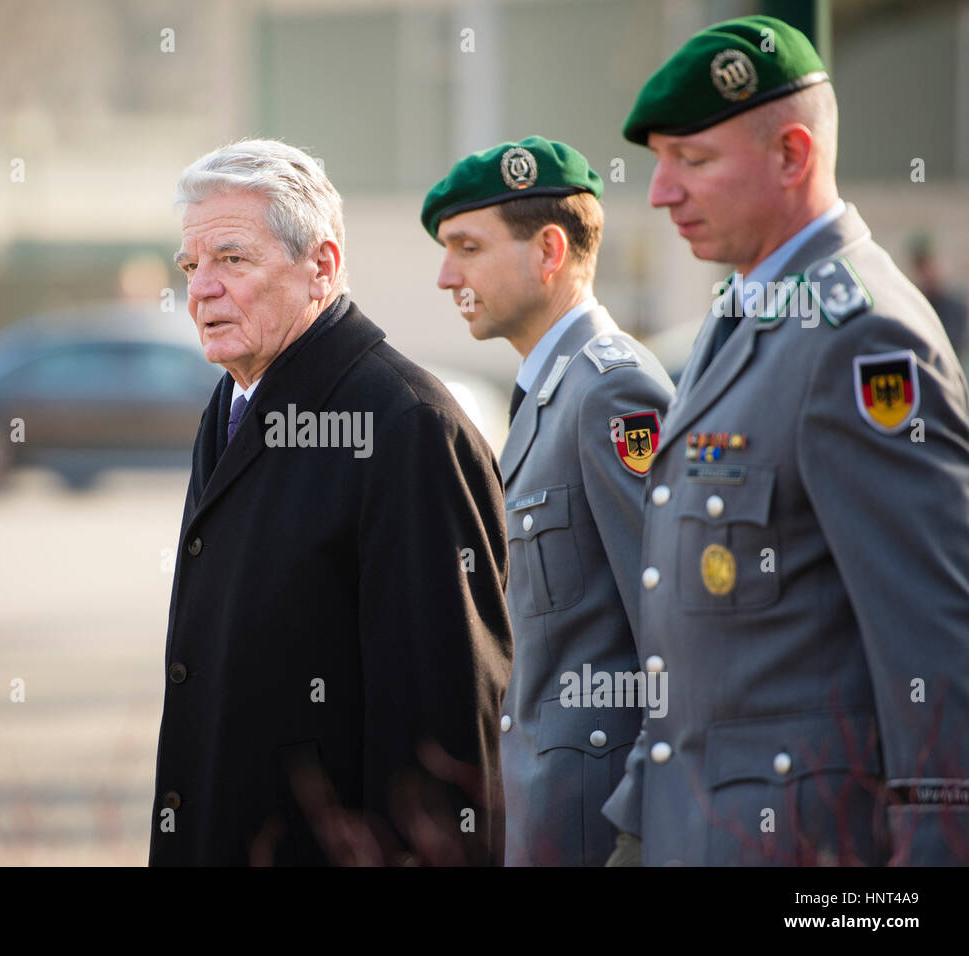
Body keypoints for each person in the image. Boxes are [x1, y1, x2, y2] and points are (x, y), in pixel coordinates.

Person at [602, 15, 969, 865]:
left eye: (693, 161)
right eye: (659, 160)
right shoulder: (747, 308)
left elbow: (935, 647)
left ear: (793, 156)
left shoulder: (862, 337)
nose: (661, 192)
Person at [149, 139, 513, 866]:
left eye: (232, 259)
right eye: (192, 267)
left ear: (322, 266)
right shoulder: (233, 401)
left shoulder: (407, 426)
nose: (200, 290)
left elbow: (440, 734)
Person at [422, 136, 674, 865]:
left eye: (467, 247)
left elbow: (675, 634)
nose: (446, 276)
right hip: (545, 814)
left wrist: (638, 829)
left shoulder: (612, 390)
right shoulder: (551, 392)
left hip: (597, 824)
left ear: (549, 251)